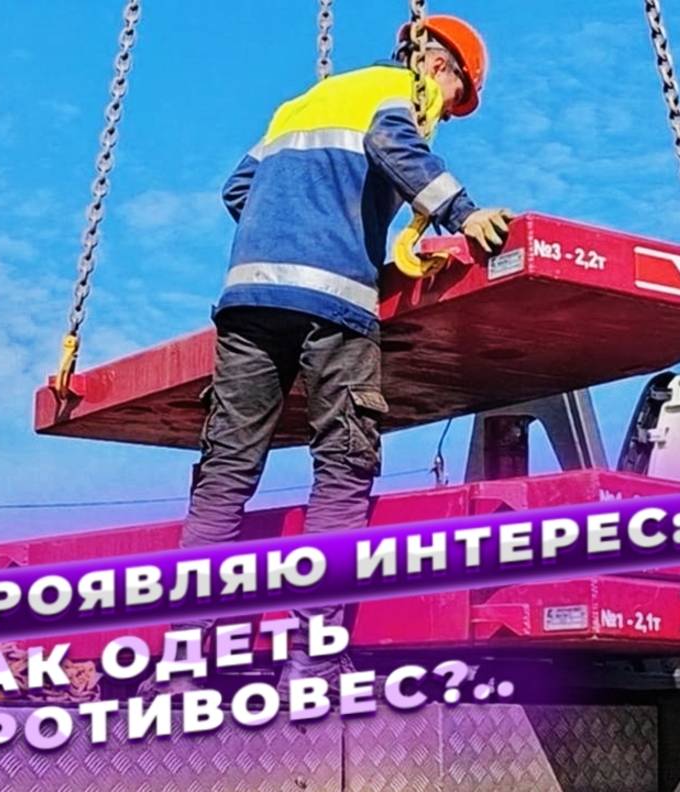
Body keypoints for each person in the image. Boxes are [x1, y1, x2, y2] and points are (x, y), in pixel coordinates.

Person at [175, 14, 511, 696]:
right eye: (451, 102)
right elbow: (395, 144)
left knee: (224, 476)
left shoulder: (302, 103)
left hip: (248, 299)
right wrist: (464, 214)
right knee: (342, 471)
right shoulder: (394, 91)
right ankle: (314, 662)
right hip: (333, 302)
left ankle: (180, 672)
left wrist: (296, 222)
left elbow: (237, 191)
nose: (441, 116)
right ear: (438, 67)